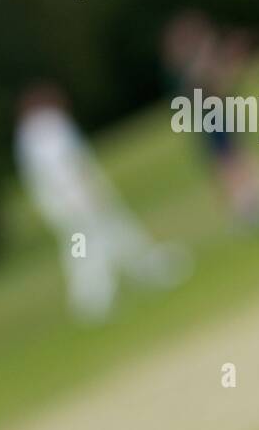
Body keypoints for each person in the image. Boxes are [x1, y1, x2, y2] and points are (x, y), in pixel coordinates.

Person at [14, 84, 188, 321]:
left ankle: (141, 272)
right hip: (74, 196)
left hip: (63, 199)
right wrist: (83, 193)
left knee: (106, 235)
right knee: (86, 245)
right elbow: (64, 166)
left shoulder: (29, 133)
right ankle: (94, 297)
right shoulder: (48, 127)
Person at [161, 12, 259, 231]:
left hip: (218, 117)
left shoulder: (203, 62)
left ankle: (257, 203)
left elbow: (218, 86)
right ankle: (251, 206)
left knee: (233, 161)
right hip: (210, 120)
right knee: (229, 163)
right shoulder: (196, 65)